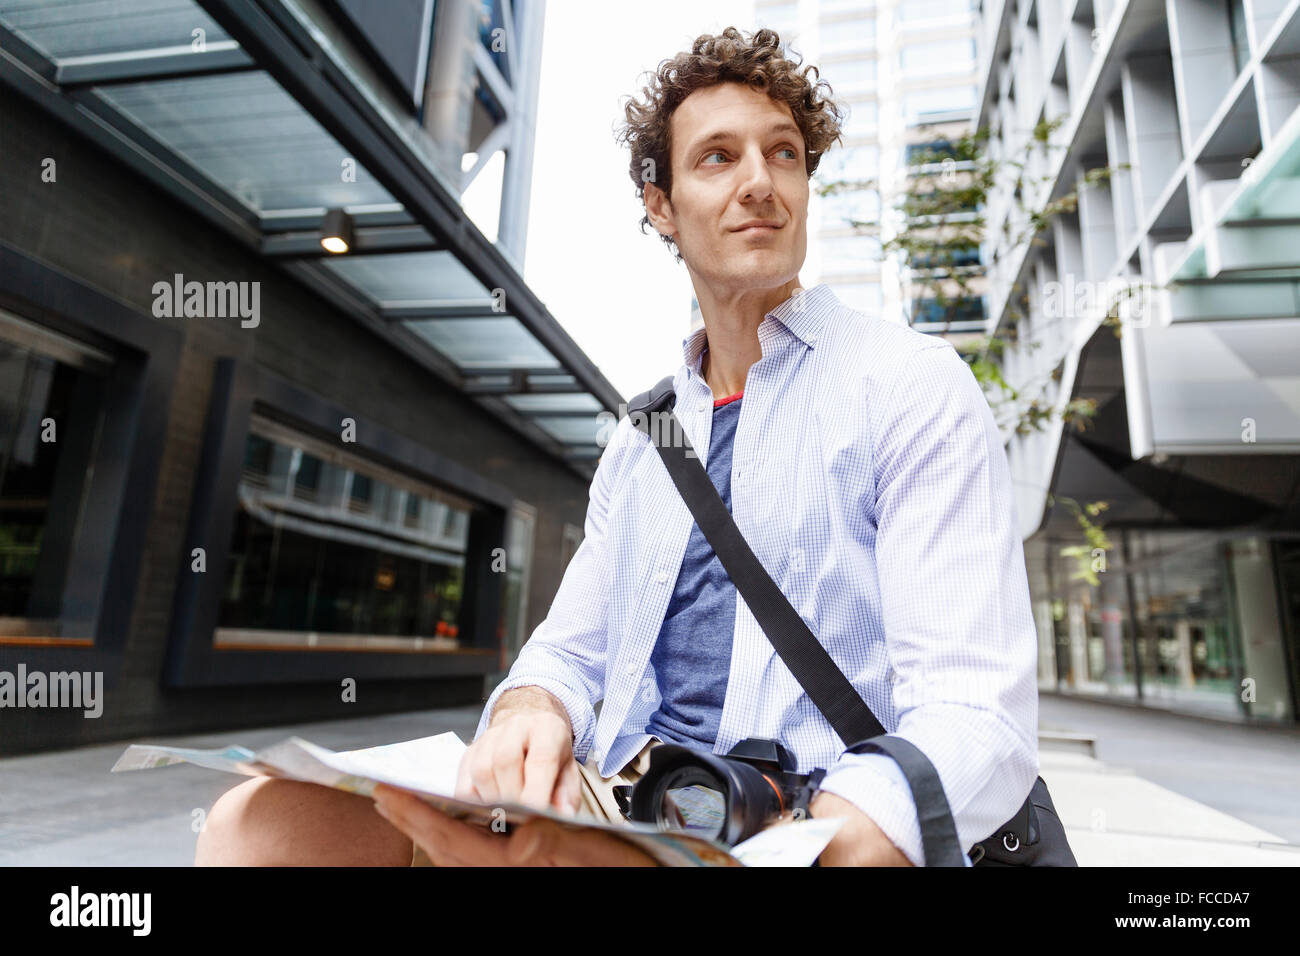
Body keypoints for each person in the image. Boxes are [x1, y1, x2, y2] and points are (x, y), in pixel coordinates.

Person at [195, 26, 1039, 867]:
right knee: (259, 823)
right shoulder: (648, 437)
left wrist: (857, 829)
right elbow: (571, 650)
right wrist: (531, 710)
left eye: (782, 154)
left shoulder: (909, 383)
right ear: (661, 205)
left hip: (812, 818)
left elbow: (974, 708)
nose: (758, 183)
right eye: (717, 158)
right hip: (626, 804)